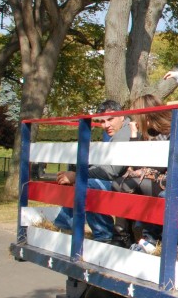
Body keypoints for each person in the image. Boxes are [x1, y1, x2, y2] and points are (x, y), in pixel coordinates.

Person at [53, 100, 132, 245]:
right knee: (81, 183)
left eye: (110, 119)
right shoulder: (120, 132)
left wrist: (78, 176)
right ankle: (64, 225)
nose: (106, 125)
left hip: (125, 185)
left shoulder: (124, 133)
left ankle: (104, 235)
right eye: (102, 121)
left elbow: (112, 171)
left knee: (87, 185)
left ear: (121, 116)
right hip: (120, 182)